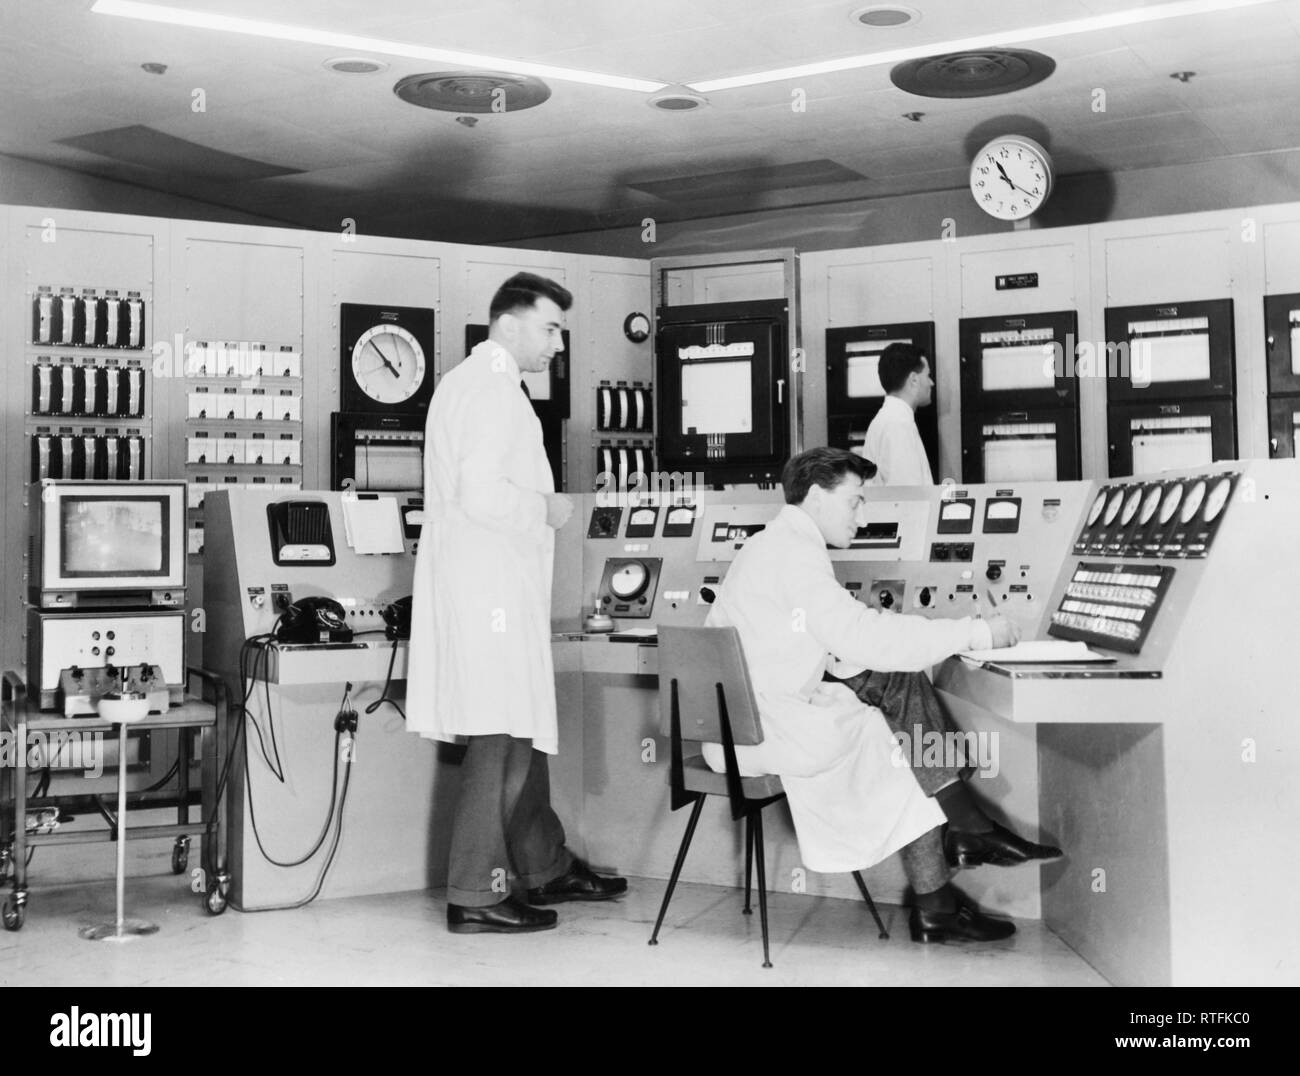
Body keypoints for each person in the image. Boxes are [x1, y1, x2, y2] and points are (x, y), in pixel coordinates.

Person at [703, 447, 1060, 943]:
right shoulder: (794, 552)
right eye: (854, 502)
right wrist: (974, 632)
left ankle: (953, 855)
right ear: (815, 496)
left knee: (899, 703)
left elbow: (824, 640)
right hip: (760, 730)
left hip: (743, 718)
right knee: (899, 733)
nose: (862, 515)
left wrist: (884, 647)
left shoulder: (770, 544)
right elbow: (858, 636)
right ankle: (957, 844)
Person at [406, 272, 626, 934]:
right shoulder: (489, 392)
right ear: (508, 324)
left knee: (519, 727)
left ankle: (542, 863)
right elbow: (481, 494)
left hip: (489, 588)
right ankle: (475, 891)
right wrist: (551, 508)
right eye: (550, 328)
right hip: (488, 592)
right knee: (500, 735)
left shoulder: (477, 386)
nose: (558, 344)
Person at [855, 342, 934, 485]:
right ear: (914, 379)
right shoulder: (898, 425)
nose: (931, 383)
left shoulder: (888, 419)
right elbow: (908, 497)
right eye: (928, 375)